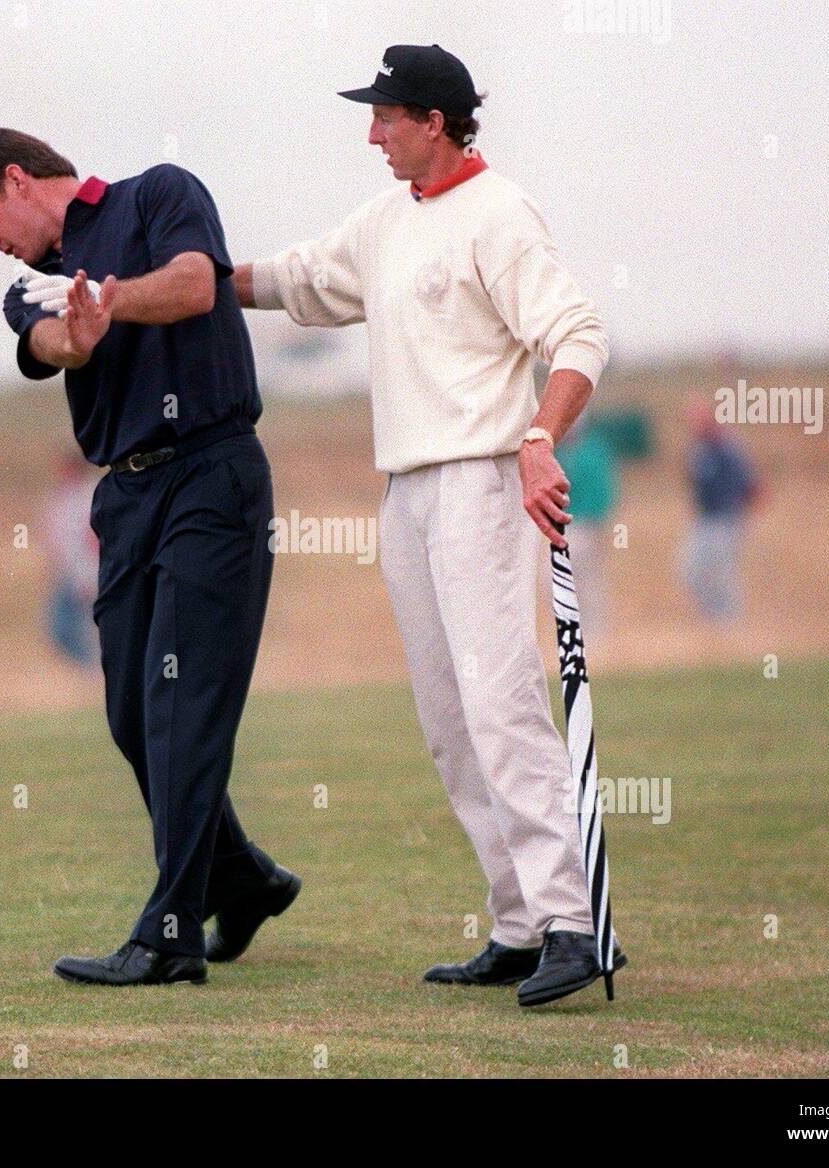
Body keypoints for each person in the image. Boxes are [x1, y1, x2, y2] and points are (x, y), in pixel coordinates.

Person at [234, 44, 624, 1007]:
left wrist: (540, 436)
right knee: (449, 721)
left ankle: (573, 923)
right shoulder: (384, 223)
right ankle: (520, 922)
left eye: (386, 116)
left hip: (482, 481)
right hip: (406, 491)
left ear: (434, 122)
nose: (372, 132)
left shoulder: (500, 215)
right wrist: (181, 283)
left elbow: (578, 335)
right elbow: (297, 280)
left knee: (501, 704)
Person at [0, 126, 299, 988]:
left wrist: (109, 296)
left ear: (21, 179)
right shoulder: (27, 285)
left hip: (212, 475)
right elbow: (50, 346)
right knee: (132, 717)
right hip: (128, 498)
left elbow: (191, 285)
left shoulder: (160, 192)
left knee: (179, 705)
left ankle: (171, 933)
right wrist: (79, 327)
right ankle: (242, 879)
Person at [679, 394, 760, 620]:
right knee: (690, 571)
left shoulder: (729, 448)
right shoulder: (698, 451)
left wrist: (741, 513)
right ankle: (715, 620)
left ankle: (730, 622)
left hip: (727, 519)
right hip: (705, 520)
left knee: (723, 574)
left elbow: (750, 484)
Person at [557, 414, 620, 643]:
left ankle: (595, 633)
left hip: (588, 523)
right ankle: (576, 629)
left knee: (588, 579)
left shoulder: (593, 452)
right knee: (567, 580)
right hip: (566, 525)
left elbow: (606, 491)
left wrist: (600, 522)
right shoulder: (560, 453)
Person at [42, 451, 98, 665]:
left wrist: (92, 573)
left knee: (80, 625)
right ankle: (89, 670)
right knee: (61, 628)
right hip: (67, 575)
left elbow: (92, 540)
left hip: (88, 573)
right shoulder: (59, 499)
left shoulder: (89, 495)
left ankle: (93, 671)